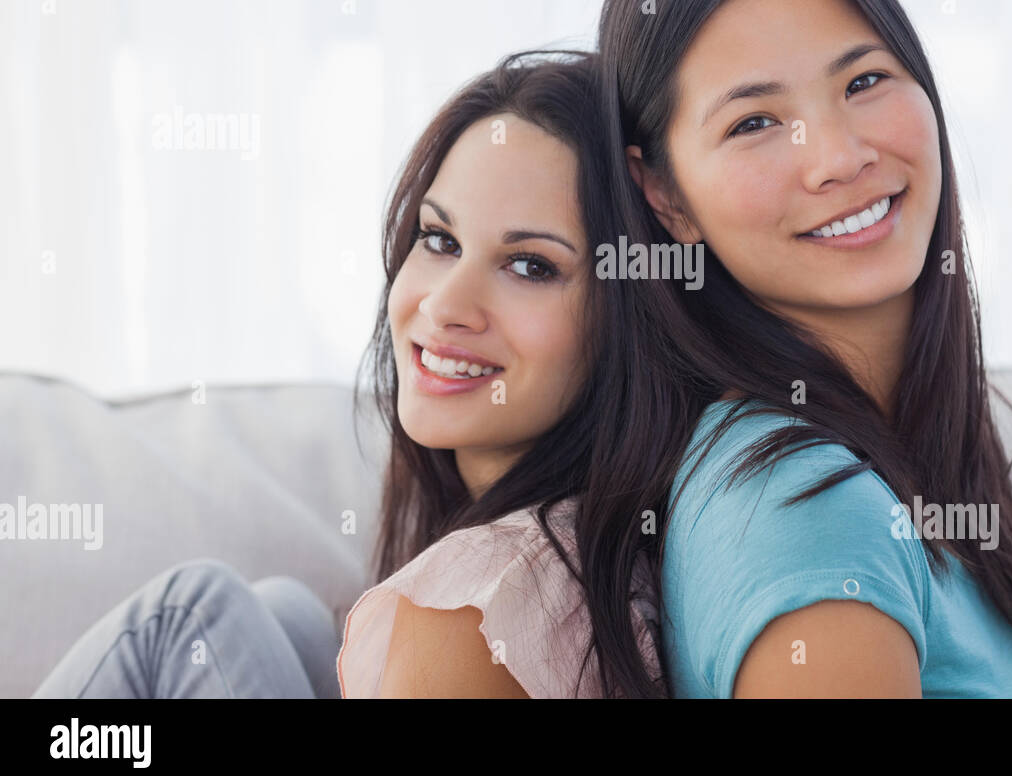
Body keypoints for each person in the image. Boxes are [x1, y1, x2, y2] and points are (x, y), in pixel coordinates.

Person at [31, 52, 671, 699]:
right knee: (288, 615)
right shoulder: (586, 549)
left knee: (191, 614)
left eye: (530, 265)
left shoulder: (482, 604)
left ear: (631, 319)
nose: (444, 304)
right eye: (440, 240)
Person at [594, 0, 1012, 698]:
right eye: (756, 122)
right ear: (663, 195)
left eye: (864, 80)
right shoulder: (805, 509)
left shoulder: (896, 462)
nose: (835, 156)